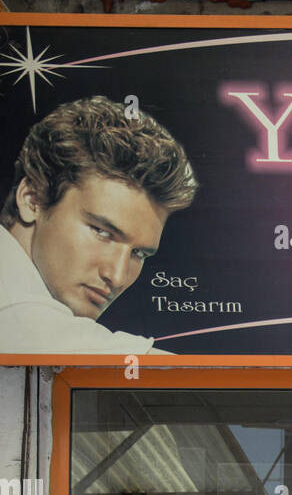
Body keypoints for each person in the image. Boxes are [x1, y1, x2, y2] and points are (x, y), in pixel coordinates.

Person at [0, 95, 197, 354]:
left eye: (138, 253)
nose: (116, 276)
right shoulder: (14, 311)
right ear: (32, 200)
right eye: (102, 232)